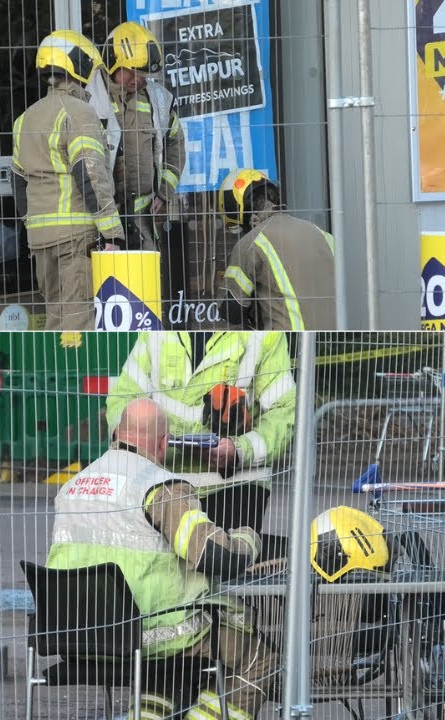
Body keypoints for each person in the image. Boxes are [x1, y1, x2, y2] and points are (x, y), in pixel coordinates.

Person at [48, 398, 278, 720]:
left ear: (116, 433)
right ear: (163, 443)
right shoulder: (159, 488)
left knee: (165, 673)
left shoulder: (73, 487)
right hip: (150, 636)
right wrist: (249, 539)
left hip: (77, 634)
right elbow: (214, 554)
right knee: (260, 661)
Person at [106, 331, 296, 533]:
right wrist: (135, 441)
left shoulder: (263, 335)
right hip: (164, 485)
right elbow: (122, 399)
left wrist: (239, 451)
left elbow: (283, 411)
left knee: (225, 561)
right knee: (163, 564)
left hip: (234, 486)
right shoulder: (156, 331)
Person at [14, 29, 126, 330]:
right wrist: (112, 232)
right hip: (75, 237)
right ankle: (75, 376)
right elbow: (90, 174)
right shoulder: (79, 112)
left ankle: (53, 373)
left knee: (56, 320)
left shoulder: (24, 119)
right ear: (78, 65)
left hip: (40, 240)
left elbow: (19, 183)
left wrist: (31, 223)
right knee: (79, 325)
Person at [101, 22, 190, 320]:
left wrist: (164, 192)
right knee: (105, 296)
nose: (137, 80)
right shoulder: (92, 99)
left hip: (142, 220)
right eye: (131, 70)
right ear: (113, 62)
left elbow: (176, 145)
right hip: (101, 221)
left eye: (143, 73)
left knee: (145, 297)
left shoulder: (157, 100)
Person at [218, 169, 338, 330]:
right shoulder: (321, 233)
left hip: (288, 337)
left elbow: (230, 310)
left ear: (235, 206)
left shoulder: (251, 243)